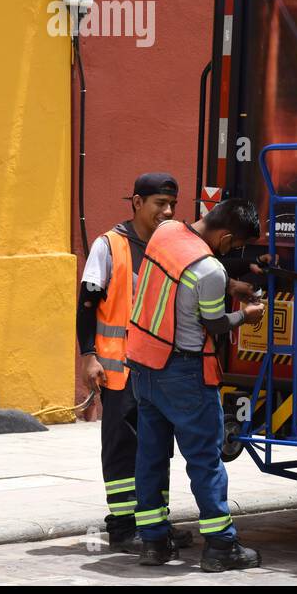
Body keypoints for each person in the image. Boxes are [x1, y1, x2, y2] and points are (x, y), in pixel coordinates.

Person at [126, 198, 266, 571]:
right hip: (185, 373)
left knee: (151, 457)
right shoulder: (209, 271)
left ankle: (153, 542)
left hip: (143, 365)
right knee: (205, 460)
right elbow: (216, 324)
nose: (232, 251)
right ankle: (221, 546)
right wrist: (246, 314)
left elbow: (178, 282)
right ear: (227, 236)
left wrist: (230, 284)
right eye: (234, 246)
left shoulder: (165, 232)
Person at [77, 172, 194, 554]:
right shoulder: (109, 245)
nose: (168, 210)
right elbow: (87, 304)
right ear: (137, 202)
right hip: (118, 371)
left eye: (172, 204)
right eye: (160, 203)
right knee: (123, 447)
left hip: (158, 370)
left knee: (156, 447)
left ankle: (154, 522)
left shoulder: (170, 246)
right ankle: (124, 526)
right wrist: (89, 356)